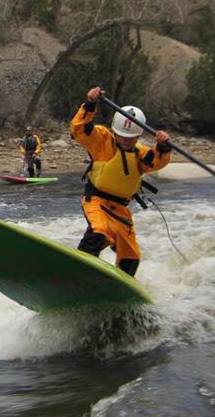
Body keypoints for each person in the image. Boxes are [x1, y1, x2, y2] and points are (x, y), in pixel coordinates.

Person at [70, 86, 172, 277]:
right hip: (97, 202)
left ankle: (121, 288)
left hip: (121, 210)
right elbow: (79, 129)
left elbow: (157, 161)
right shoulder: (102, 140)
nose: (126, 141)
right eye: (123, 136)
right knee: (98, 232)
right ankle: (77, 273)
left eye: (131, 137)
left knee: (131, 255)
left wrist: (164, 147)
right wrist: (90, 104)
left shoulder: (141, 153)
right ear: (115, 131)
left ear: (138, 136)